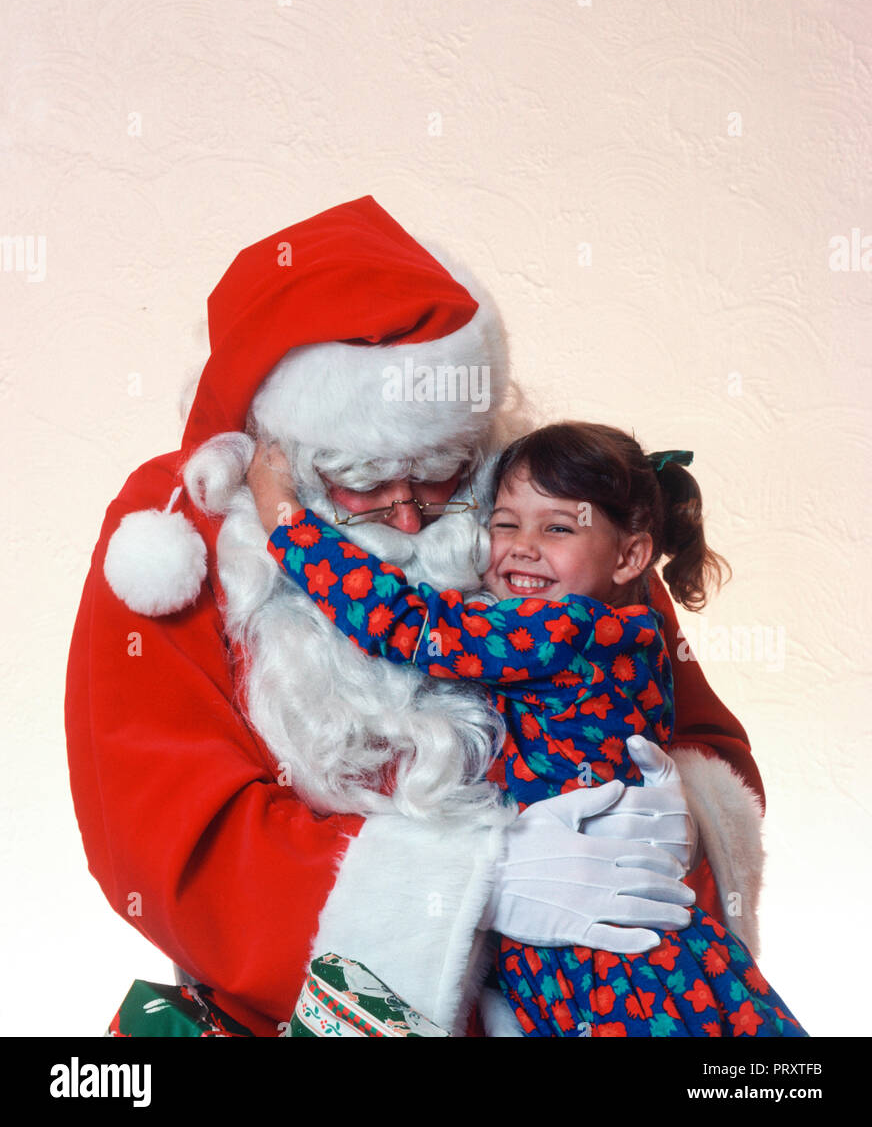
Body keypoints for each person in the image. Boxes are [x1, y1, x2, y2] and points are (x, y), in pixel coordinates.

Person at [65, 195, 768, 1037]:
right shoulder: (177, 537)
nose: (408, 518)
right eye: (364, 480)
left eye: (439, 471)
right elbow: (164, 836)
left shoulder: (543, 513)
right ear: (280, 460)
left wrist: (671, 832)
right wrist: (480, 884)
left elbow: (699, 735)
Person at [251, 421, 806, 1037]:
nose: (522, 545)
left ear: (630, 557)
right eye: (505, 523)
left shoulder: (559, 630)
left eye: (559, 528)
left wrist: (282, 517)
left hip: (602, 958)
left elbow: (400, 621)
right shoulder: (629, 629)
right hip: (613, 935)